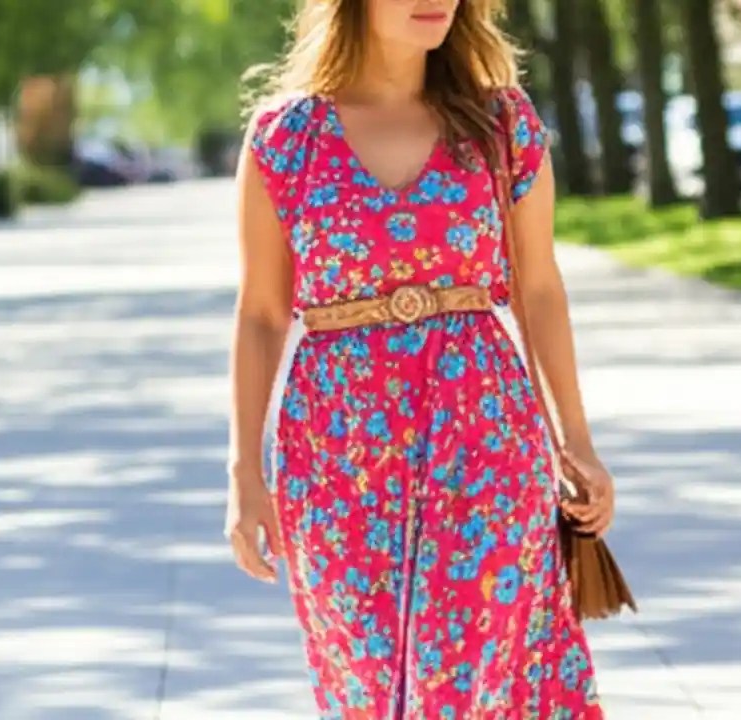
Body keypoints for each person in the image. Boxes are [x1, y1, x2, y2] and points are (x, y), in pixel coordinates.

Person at [226, 1, 615, 717]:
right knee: (367, 683)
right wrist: (245, 472)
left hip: (485, 438)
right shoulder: (285, 139)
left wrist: (577, 441)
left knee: (466, 677)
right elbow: (260, 313)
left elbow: (538, 288)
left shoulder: (501, 122)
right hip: (336, 454)